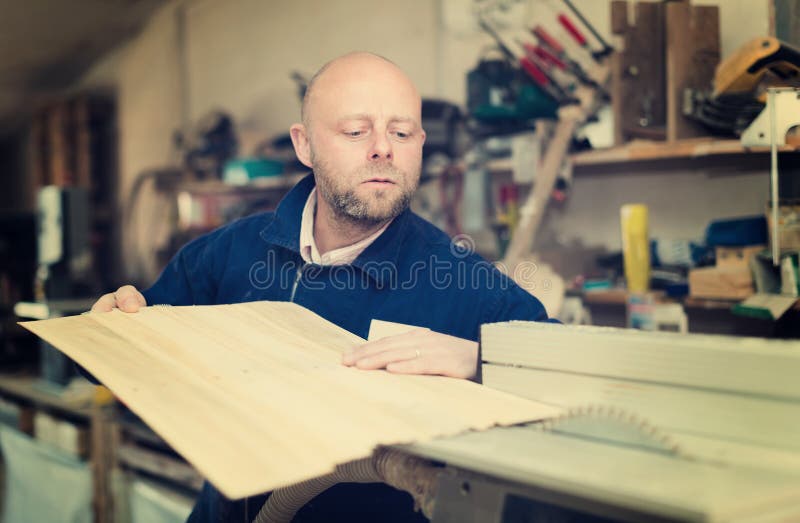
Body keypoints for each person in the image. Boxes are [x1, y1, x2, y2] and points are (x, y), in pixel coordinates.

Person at [91, 52, 552, 522]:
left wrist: (481, 362)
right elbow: (129, 370)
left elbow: (586, 392)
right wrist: (116, 328)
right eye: (355, 131)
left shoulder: (466, 284)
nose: (382, 149)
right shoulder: (227, 254)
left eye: (401, 132)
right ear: (305, 144)